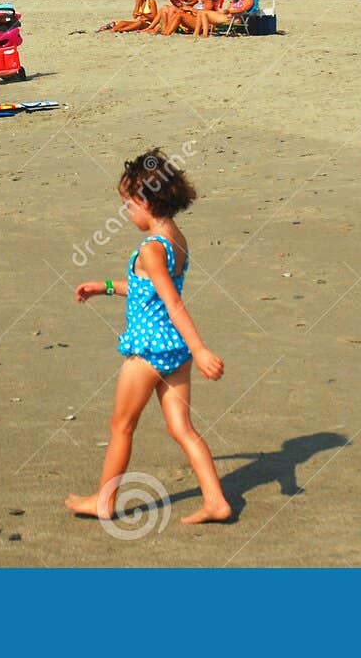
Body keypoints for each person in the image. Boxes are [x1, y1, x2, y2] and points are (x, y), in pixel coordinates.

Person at [67, 148, 229, 525]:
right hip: (174, 351)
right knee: (182, 429)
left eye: (128, 204)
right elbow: (148, 290)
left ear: (146, 202)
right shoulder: (176, 239)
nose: (126, 212)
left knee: (121, 426)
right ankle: (216, 501)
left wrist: (202, 348)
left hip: (148, 351)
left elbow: (172, 302)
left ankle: (104, 501)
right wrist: (105, 286)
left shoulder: (152, 249)